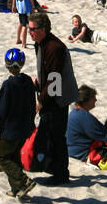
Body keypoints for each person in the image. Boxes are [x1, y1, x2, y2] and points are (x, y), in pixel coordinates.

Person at [31, 13, 77, 184]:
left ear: (43, 30)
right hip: (52, 93)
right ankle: (51, 167)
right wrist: (38, 84)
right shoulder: (41, 43)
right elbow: (47, 74)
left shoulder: (53, 48)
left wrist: (40, 102)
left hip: (58, 99)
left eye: (32, 29)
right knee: (48, 134)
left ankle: (60, 174)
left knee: (56, 136)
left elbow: (55, 81)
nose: (30, 32)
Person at [0, 47, 38, 201]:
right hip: (25, 128)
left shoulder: (8, 85)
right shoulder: (29, 82)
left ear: (6, 65)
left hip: (10, 130)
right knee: (14, 157)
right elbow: (32, 105)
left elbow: (0, 111)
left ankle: (23, 181)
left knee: (2, 157)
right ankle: (17, 188)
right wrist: (31, 125)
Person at [66, 86, 107, 168]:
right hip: (84, 154)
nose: (95, 100)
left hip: (73, 152)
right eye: (93, 97)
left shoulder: (75, 113)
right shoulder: (84, 117)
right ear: (85, 100)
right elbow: (105, 138)